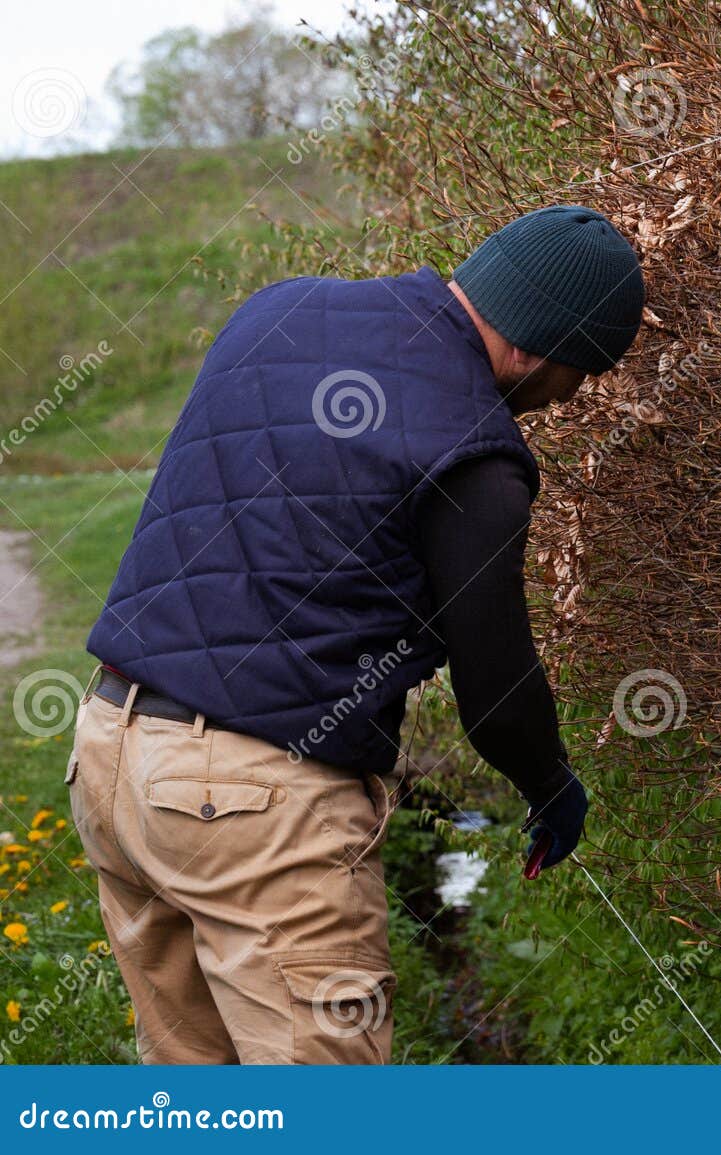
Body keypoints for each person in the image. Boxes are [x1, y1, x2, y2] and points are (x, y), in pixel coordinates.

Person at [67, 205, 645, 1064]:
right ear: (529, 347)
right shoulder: (478, 460)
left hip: (112, 755)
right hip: (253, 807)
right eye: (578, 373)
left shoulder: (281, 307)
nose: (569, 400)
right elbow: (497, 691)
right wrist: (551, 784)